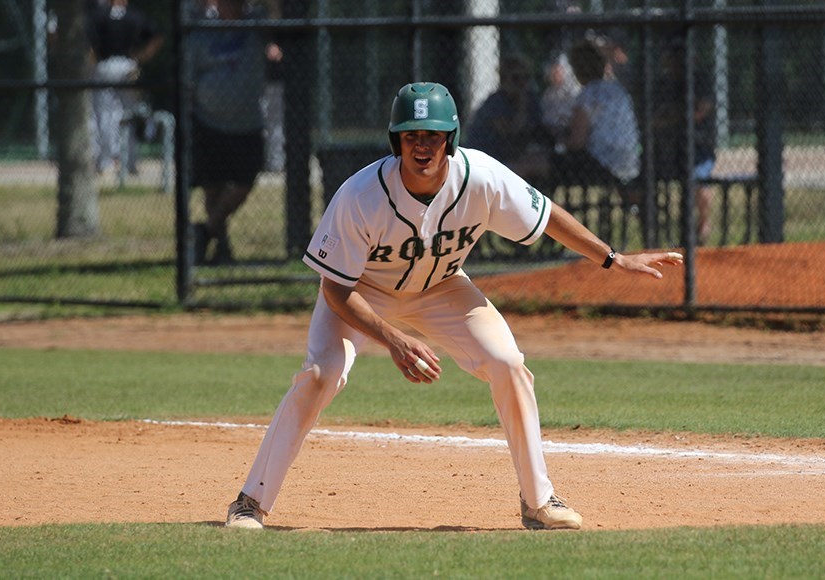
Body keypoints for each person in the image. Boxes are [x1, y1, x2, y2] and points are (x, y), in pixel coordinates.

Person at [223, 82, 683, 531]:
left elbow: (545, 216)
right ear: (396, 141)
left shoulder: (480, 177)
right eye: (411, 136)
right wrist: (392, 338)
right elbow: (335, 292)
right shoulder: (360, 196)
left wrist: (612, 257)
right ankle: (250, 502)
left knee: (508, 363)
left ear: (451, 139)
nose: (422, 146)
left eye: (432, 136)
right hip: (363, 294)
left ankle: (539, 500)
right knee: (322, 374)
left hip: (443, 288)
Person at [188, 0, 271, 265]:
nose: (234, 5)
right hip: (208, 122)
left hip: (247, 123)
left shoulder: (255, 26)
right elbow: (189, 78)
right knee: (212, 189)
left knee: (245, 181)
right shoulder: (201, 33)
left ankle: (204, 230)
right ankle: (221, 249)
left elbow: (274, 8)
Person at [651, 37, 718, 246]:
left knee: (699, 179)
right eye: (671, 58)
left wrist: (671, 116)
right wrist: (675, 115)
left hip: (699, 148)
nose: (673, 63)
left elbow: (699, 111)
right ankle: (658, 234)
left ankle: (702, 227)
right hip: (667, 150)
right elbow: (652, 120)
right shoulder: (663, 84)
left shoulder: (701, 80)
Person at [552, 37, 641, 188]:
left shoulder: (588, 94)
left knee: (539, 162)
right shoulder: (618, 89)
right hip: (631, 162)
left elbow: (577, 142)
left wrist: (558, 142)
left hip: (602, 164)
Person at [87, 0, 163, 175]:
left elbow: (88, 43)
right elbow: (157, 36)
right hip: (128, 66)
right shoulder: (135, 16)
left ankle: (106, 162)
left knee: (104, 114)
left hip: (104, 66)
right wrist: (141, 57)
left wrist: (93, 63)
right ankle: (130, 163)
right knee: (130, 114)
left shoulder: (100, 15)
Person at [465, 56, 551, 183]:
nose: (522, 83)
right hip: (488, 158)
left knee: (543, 162)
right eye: (516, 78)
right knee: (526, 167)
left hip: (515, 156)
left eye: (526, 78)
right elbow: (511, 133)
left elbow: (539, 130)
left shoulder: (532, 100)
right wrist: (522, 104)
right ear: (503, 79)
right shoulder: (495, 102)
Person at [539, 52, 580, 145]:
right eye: (552, 70)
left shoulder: (574, 90)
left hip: (569, 130)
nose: (555, 73)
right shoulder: (549, 93)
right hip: (550, 132)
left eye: (559, 69)